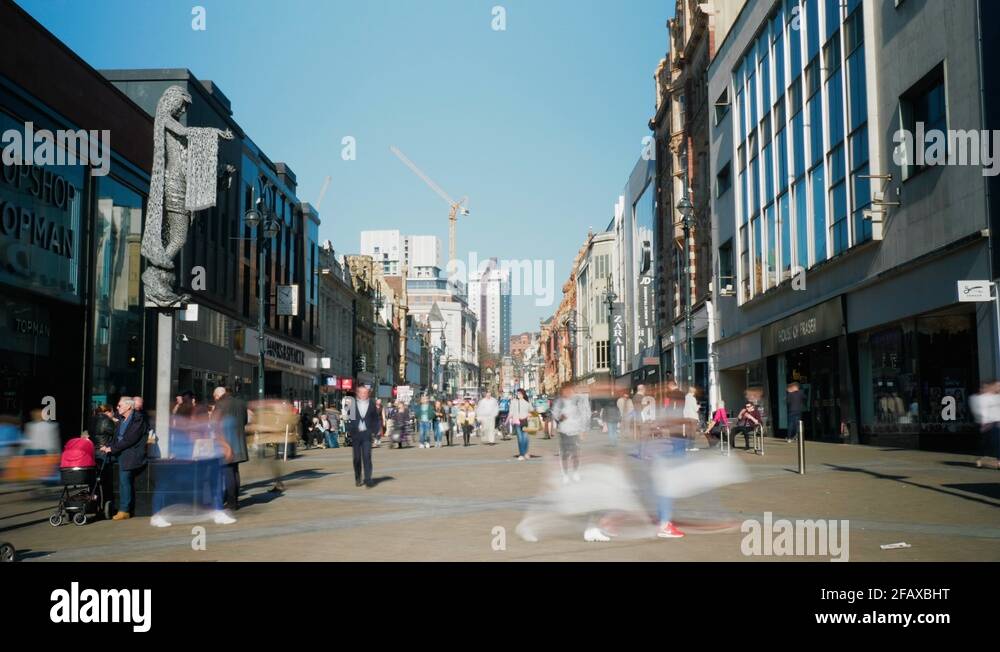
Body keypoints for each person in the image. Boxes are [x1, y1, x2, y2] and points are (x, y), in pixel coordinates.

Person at [100, 396, 148, 520]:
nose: (117, 407)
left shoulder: (138, 419)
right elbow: (117, 438)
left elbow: (130, 439)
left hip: (131, 453)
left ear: (128, 406)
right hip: (121, 452)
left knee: (124, 479)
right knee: (100, 464)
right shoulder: (122, 419)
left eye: (119, 405)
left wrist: (112, 449)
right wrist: (107, 446)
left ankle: (124, 510)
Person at [212, 386, 247, 516]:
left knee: (228, 473)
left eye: (214, 397)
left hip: (225, 443)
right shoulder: (241, 403)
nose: (214, 399)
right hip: (238, 442)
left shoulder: (220, 404)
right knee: (235, 472)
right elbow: (244, 421)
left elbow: (213, 423)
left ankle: (231, 503)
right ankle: (235, 500)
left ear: (218, 395)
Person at [552, 385, 591, 483]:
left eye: (569, 390)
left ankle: (575, 472)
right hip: (564, 431)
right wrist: (560, 417)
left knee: (576, 454)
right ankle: (565, 474)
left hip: (575, 431)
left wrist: (583, 430)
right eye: (565, 391)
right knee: (564, 454)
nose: (567, 393)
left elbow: (584, 414)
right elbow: (555, 415)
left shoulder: (578, 401)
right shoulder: (559, 402)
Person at [345, 385, 381, 488]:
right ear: (358, 393)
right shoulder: (352, 405)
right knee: (356, 458)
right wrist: (350, 430)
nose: (364, 394)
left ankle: (368, 478)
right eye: (362, 392)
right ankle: (358, 477)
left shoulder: (372, 404)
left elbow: (375, 419)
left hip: (367, 435)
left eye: (366, 392)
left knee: (367, 456)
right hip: (356, 435)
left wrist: (375, 431)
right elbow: (349, 419)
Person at [509, 389, 533, 461]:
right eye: (517, 393)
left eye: (520, 393)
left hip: (525, 421)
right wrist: (508, 420)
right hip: (517, 422)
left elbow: (532, 411)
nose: (518, 395)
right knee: (520, 438)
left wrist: (529, 415)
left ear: (523, 394)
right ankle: (522, 454)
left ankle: (525, 453)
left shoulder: (527, 402)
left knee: (525, 438)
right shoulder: (513, 402)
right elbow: (511, 412)